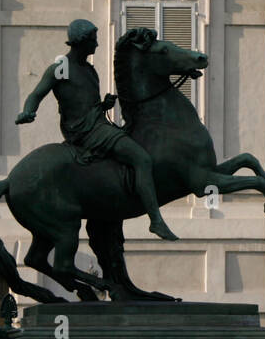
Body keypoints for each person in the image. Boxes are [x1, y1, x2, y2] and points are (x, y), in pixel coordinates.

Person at [15, 19, 178, 241]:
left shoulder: (89, 70)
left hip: (97, 123)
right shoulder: (60, 68)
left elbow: (82, 103)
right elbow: (36, 94)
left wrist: (104, 106)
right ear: (81, 42)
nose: (97, 45)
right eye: (93, 40)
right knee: (141, 158)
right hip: (85, 131)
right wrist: (28, 111)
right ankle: (156, 221)